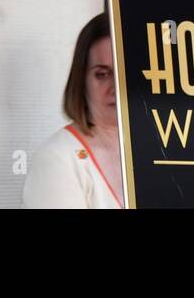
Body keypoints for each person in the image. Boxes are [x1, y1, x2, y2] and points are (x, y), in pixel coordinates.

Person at [21, 13, 124, 208]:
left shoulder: (163, 151)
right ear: (81, 81)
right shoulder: (57, 159)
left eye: (127, 72)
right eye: (102, 75)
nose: (117, 86)